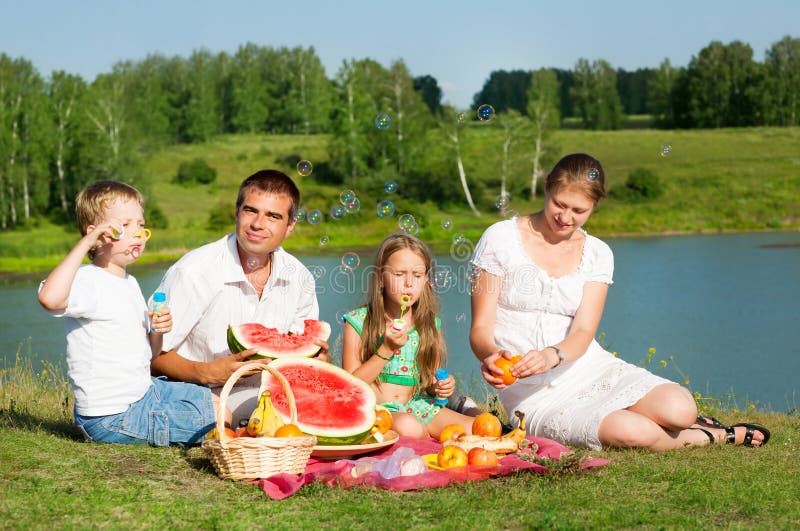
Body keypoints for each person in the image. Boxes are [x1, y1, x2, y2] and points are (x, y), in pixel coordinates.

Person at [469, 153, 770, 451]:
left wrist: (552, 355)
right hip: (531, 394)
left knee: (681, 409)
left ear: (594, 206)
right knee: (634, 432)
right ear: (547, 187)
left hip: (586, 369)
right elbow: (481, 329)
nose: (565, 217)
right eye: (559, 204)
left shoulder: (598, 253)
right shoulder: (500, 239)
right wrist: (492, 355)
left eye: (578, 210)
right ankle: (717, 436)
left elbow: (584, 332)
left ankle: (688, 422)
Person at [38, 180, 215, 446]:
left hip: (143, 393)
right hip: (112, 416)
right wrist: (85, 243)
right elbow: (50, 299)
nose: (137, 234)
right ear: (96, 235)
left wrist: (157, 329)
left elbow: (150, 355)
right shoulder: (88, 280)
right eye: (125, 225)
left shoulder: (129, 284)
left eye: (141, 226)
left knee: (211, 399)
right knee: (218, 417)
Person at [150, 169, 327, 422]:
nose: (258, 224)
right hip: (198, 394)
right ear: (237, 211)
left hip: (270, 395)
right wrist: (205, 372)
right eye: (250, 210)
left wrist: (315, 359)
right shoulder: (193, 272)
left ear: (290, 226)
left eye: (273, 216)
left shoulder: (300, 277)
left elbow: (298, 357)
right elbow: (151, 357)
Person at [342, 234, 476, 439]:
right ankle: (427, 439)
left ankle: (455, 412)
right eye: (399, 274)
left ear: (426, 280)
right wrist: (385, 350)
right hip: (377, 410)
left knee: (479, 428)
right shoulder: (359, 322)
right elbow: (351, 387)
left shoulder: (430, 325)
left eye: (417, 275)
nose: (408, 283)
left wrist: (440, 386)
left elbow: (429, 381)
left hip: (417, 405)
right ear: (380, 278)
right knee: (409, 427)